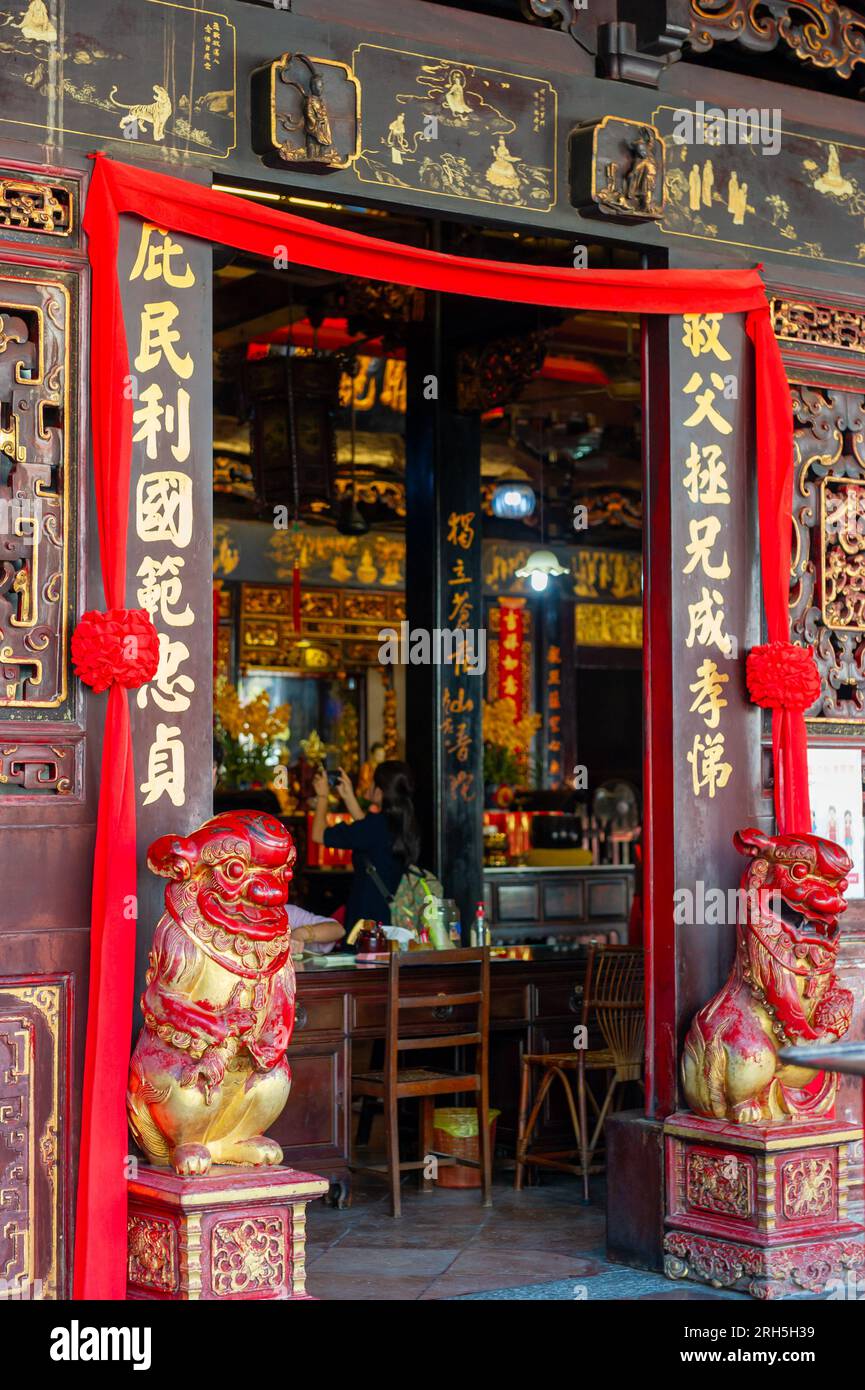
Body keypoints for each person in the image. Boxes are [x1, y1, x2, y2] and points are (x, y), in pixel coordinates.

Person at [311, 760, 419, 931]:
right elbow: (367, 833)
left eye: (373, 782)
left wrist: (323, 796)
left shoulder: (374, 827)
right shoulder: (401, 822)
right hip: (388, 920)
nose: (369, 785)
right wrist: (348, 797)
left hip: (366, 922)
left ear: (381, 792)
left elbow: (318, 834)